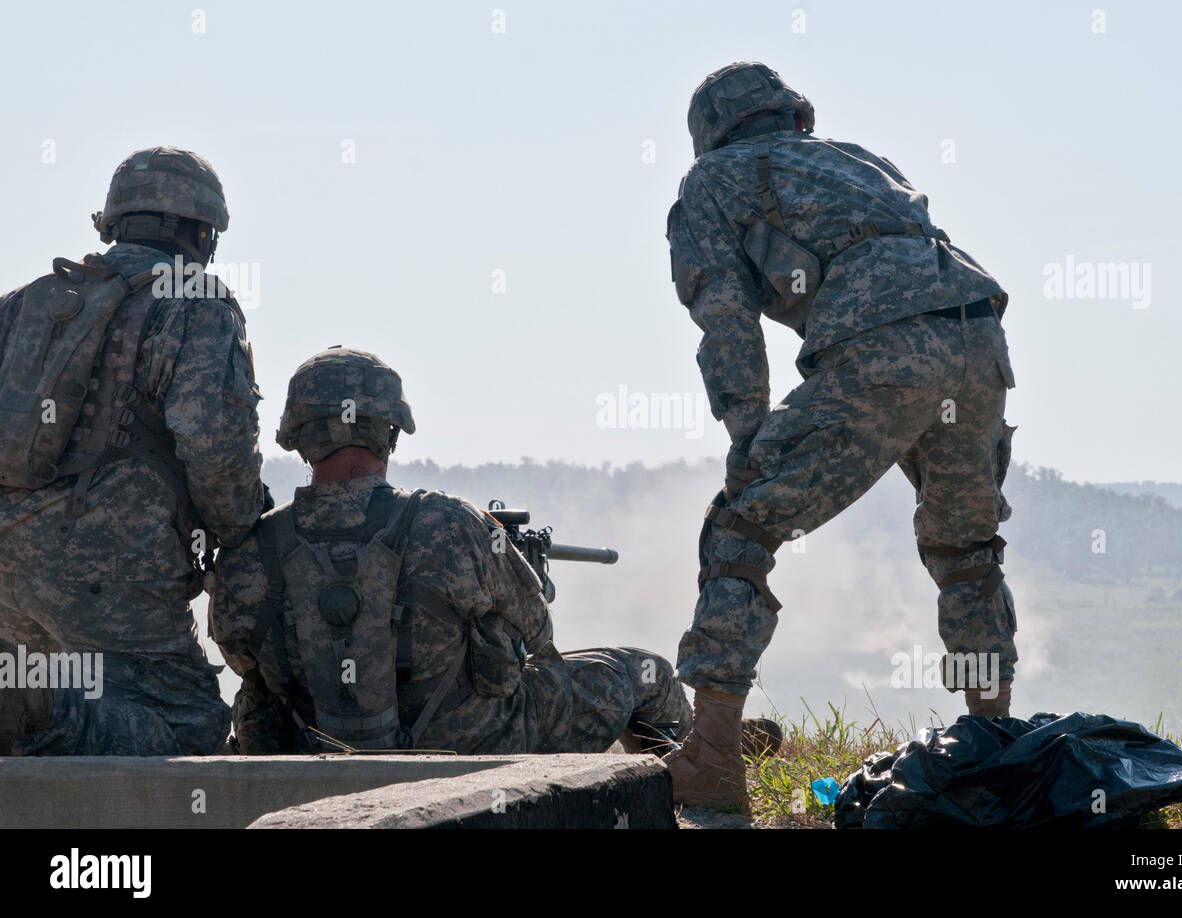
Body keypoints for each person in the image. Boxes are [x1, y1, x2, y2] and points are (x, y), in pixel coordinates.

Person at [665, 62, 1019, 810]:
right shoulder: (856, 157)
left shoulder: (713, 181)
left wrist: (748, 440)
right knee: (965, 550)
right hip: (978, 334)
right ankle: (996, 746)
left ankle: (713, 760)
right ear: (791, 113)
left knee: (739, 528)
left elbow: (725, 317)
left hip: (881, 347)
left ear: (711, 132)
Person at [210, 346, 698, 755]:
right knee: (644, 671)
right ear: (391, 431)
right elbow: (538, 628)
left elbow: (242, 656)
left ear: (298, 438)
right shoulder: (449, 521)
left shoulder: (253, 549)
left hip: (310, 755)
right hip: (472, 749)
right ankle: (701, 770)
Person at [0, 147, 265, 755]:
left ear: (111, 223)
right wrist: (242, 531)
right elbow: (217, 450)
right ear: (199, 232)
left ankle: (33, 701)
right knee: (184, 723)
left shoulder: (24, 304)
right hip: (114, 579)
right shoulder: (195, 303)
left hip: (7, 574)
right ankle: (44, 707)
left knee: (41, 739)